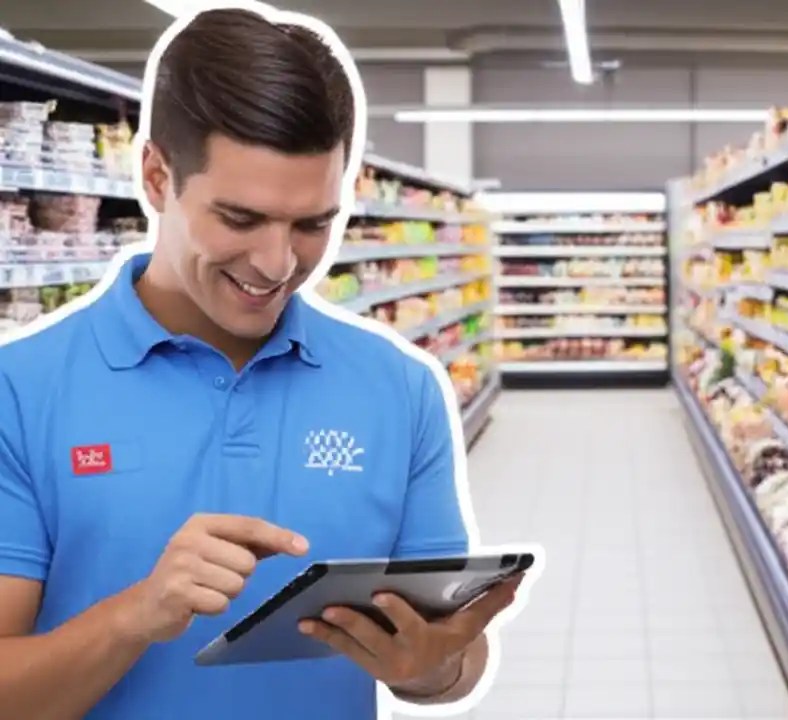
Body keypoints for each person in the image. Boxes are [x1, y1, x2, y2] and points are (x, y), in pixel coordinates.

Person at [0, 7, 519, 719]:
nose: (278, 265)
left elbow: (447, 650)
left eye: (312, 224)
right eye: (239, 219)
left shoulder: (400, 388)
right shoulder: (19, 392)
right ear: (156, 177)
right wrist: (135, 615)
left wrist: (433, 668)